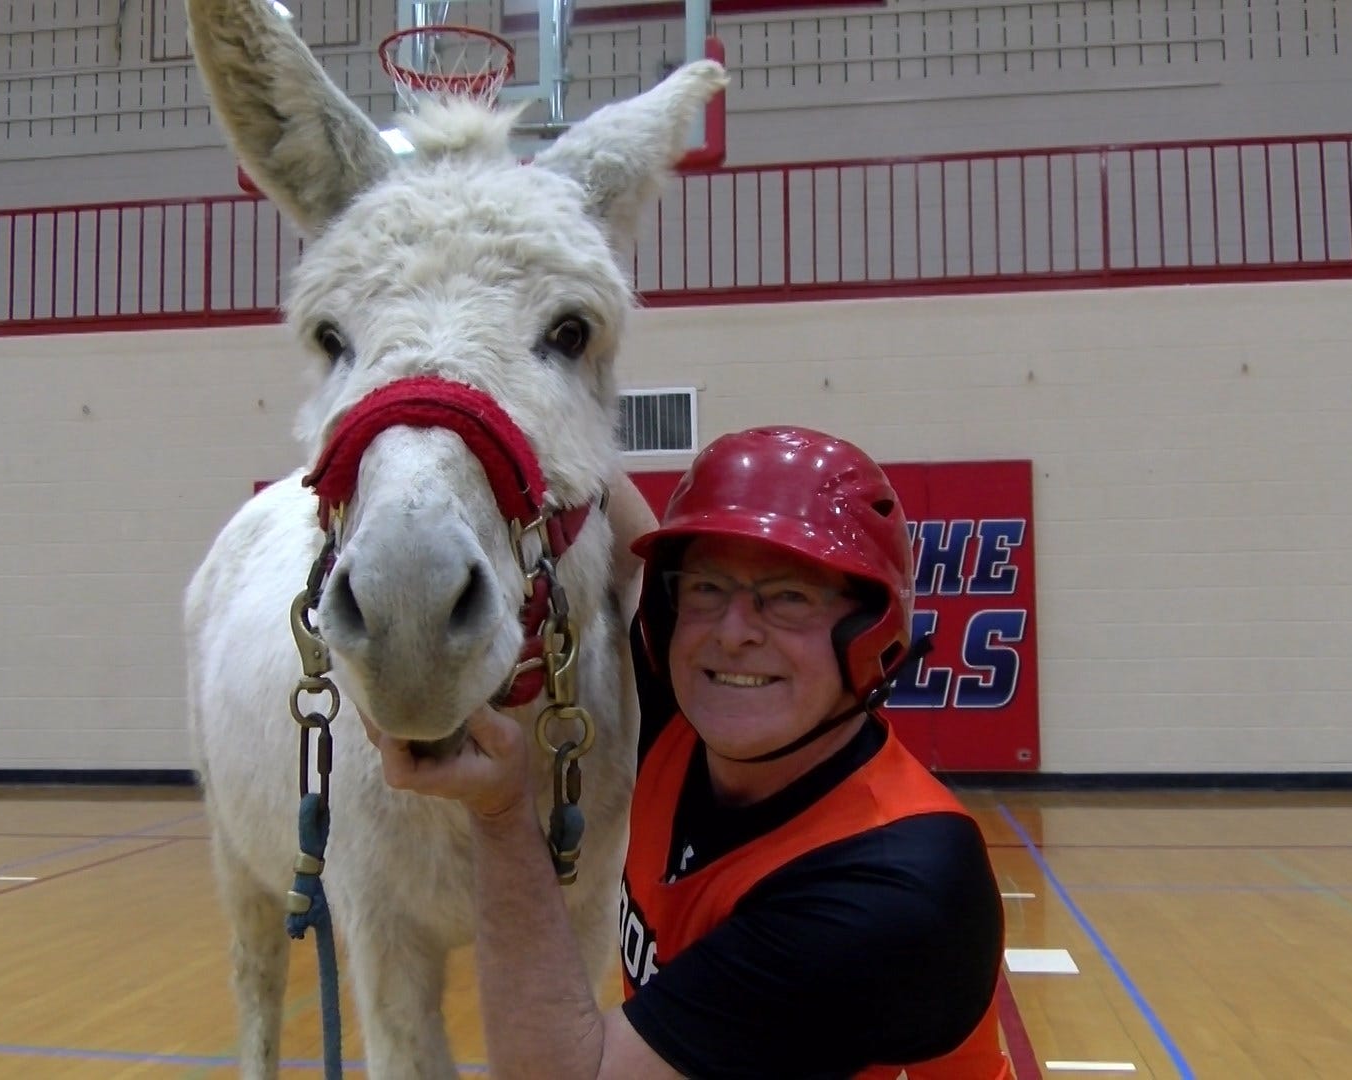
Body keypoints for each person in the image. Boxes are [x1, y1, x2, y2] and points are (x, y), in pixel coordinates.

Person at [369, 425, 1013, 1079]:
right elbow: (595, 484)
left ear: (868, 629)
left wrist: (502, 814)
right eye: (706, 589)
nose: (732, 634)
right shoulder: (686, 720)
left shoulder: (889, 891)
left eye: (788, 597)